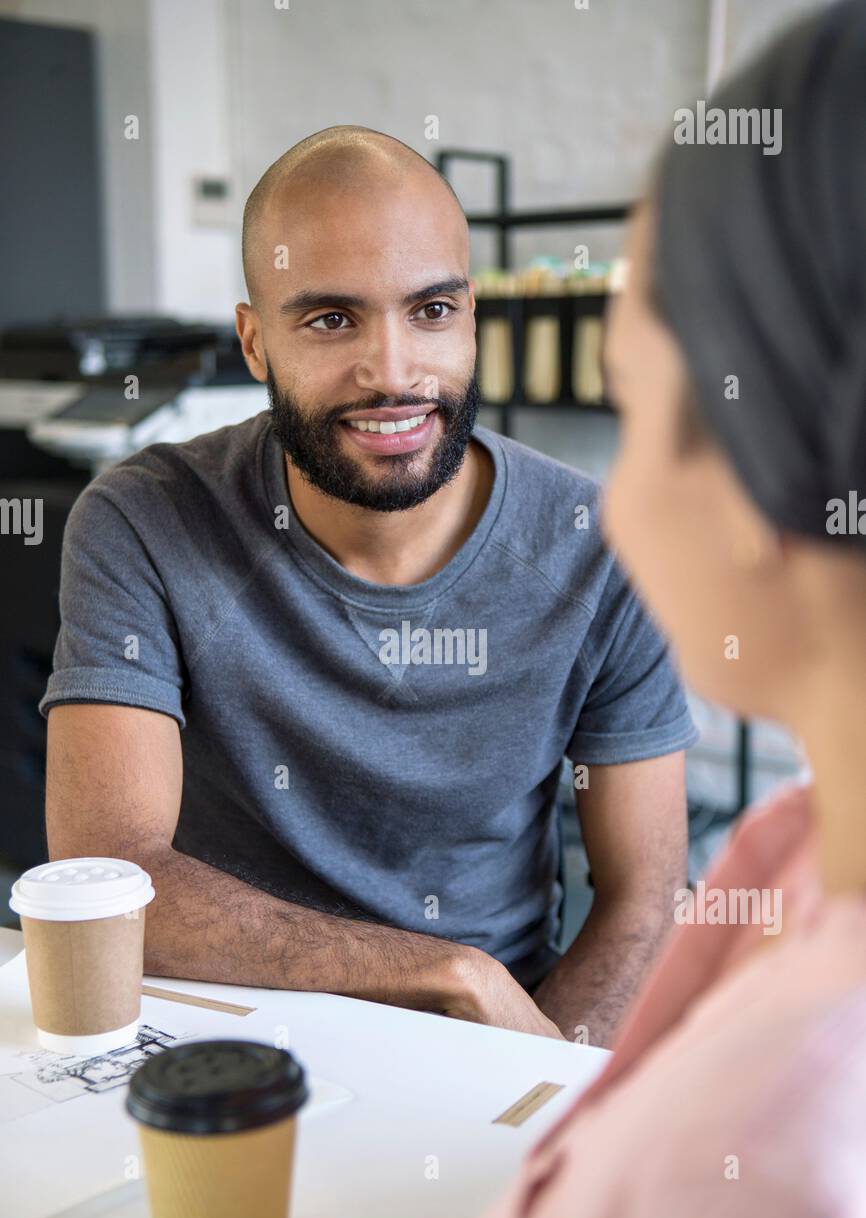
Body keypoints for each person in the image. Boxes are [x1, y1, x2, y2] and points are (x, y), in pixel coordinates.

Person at [41, 127, 697, 1045]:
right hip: (226, 1031)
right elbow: (110, 874)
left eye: (432, 310)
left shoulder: (604, 552)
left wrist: (552, 1084)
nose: (392, 373)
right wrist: (444, 971)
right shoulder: (144, 519)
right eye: (330, 320)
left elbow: (646, 902)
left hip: (497, 1042)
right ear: (255, 342)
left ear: (471, 319)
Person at [421, 0, 866, 1218]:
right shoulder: (801, 847)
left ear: (746, 468)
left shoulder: (769, 1173)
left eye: (626, 399)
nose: (608, 503)